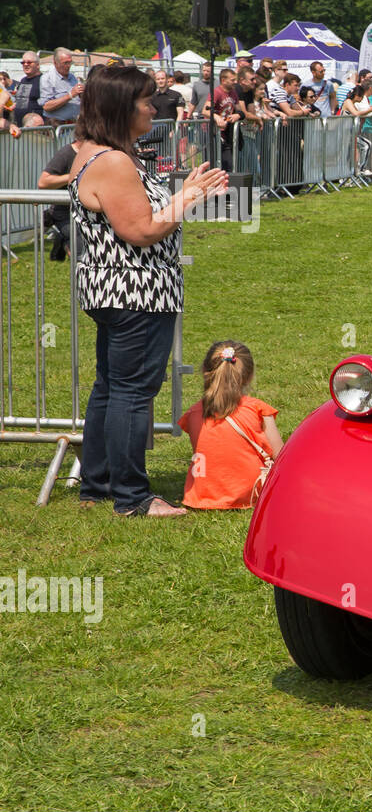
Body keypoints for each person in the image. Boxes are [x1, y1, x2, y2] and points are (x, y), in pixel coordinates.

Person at [67, 65, 227, 516]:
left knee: (112, 388)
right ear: (121, 108)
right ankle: (134, 497)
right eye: (143, 101)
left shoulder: (103, 153)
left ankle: (97, 485)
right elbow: (142, 229)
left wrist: (185, 191)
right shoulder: (114, 162)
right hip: (135, 290)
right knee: (133, 392)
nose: (152, 108)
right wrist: (189, 197)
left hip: (117, 288)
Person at [178, 340, 283, 509]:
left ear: (205, 371)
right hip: (251, 494)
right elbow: (281, 456)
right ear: (249, 376)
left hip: (202, 497)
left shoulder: (193, 413)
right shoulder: (258, 409)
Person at [38, 138, 80, 260]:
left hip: (87, 211)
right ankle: (64, 240)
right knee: (81, 253)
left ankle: (62, 239)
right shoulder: (66, 153)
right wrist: (73, 176)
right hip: (64, 212)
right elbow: (43, 182)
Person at [41, 48, 84, 124]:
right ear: (55, 63)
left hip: (74, 125)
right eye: (65, 63)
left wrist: (83, 95)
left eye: (70, 63)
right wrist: (70, 95)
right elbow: (46, 106)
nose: (68, 66)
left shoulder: (73, 78)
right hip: (57, 125)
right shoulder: (47, 79)